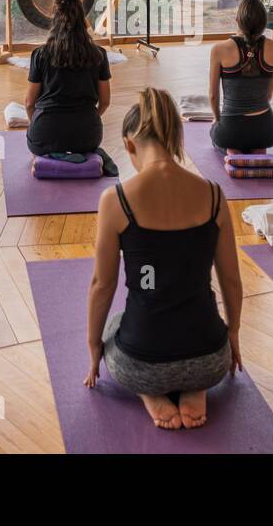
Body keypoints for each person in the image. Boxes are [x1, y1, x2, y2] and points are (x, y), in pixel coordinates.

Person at [84, 89, 243, 429]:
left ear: (130, 145)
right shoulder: (214, 195)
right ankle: (194, 388)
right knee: (191, 321)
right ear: (174, 137)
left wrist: (93, 345)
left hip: (142, 363)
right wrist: (234, 335)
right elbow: (231, 278)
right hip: (211, 360)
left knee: (115, 324)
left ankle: (150, 392)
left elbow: (102, 284)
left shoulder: (115, 200)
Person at [25, 0, 116, 175]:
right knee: (86, 148)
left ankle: (49, 161)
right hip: (87, 137)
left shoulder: (40, 54)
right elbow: (105, 102)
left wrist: (38, 123)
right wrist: (88, 118)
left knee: (40, 148)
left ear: (55, 19)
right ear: (82, 20)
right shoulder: (98, 54)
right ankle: (85, 161)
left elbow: (28, 103)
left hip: (45, 134)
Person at [208, 0, 273, 152]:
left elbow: (213, 96)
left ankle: (233, 150)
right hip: (266, 131)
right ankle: (257, 149)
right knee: (255, 140)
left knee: (217, 134)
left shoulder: (219, 49)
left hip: (231, 130)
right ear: (263, 23)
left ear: (237, 20)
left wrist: (217, 121)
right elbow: (268, 94)